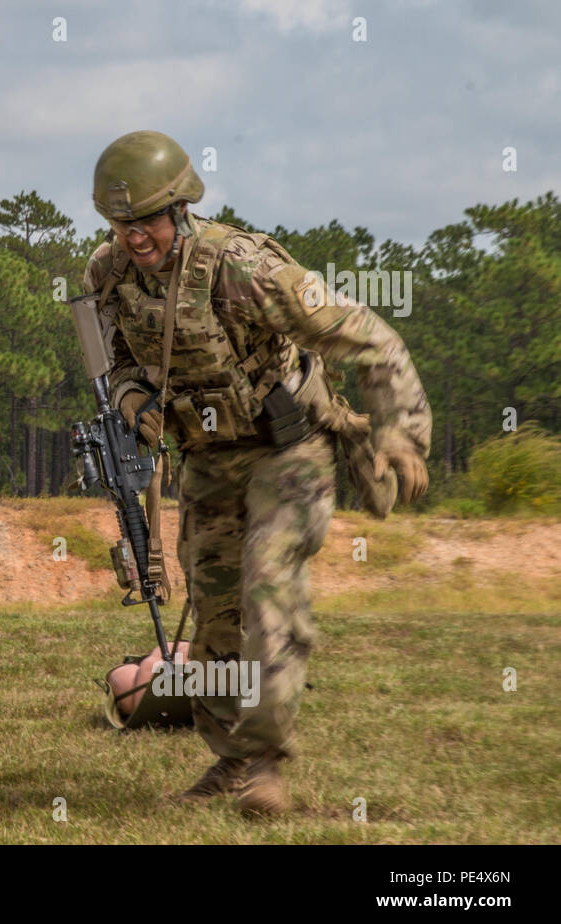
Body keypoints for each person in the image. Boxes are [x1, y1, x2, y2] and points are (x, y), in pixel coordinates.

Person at [81, 131, 432, 816]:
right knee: (216, 615)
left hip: (287, 449)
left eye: (147, 221)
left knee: (269, 585)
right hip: (208, 458)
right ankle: (232, 755)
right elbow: (118, 361)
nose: (135, 238)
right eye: (121, 224)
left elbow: (371, 336)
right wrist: (133, 401)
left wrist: (402, 434)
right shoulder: (108, 275)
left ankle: (267, 762)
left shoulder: (244, 267)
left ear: (180, 208)